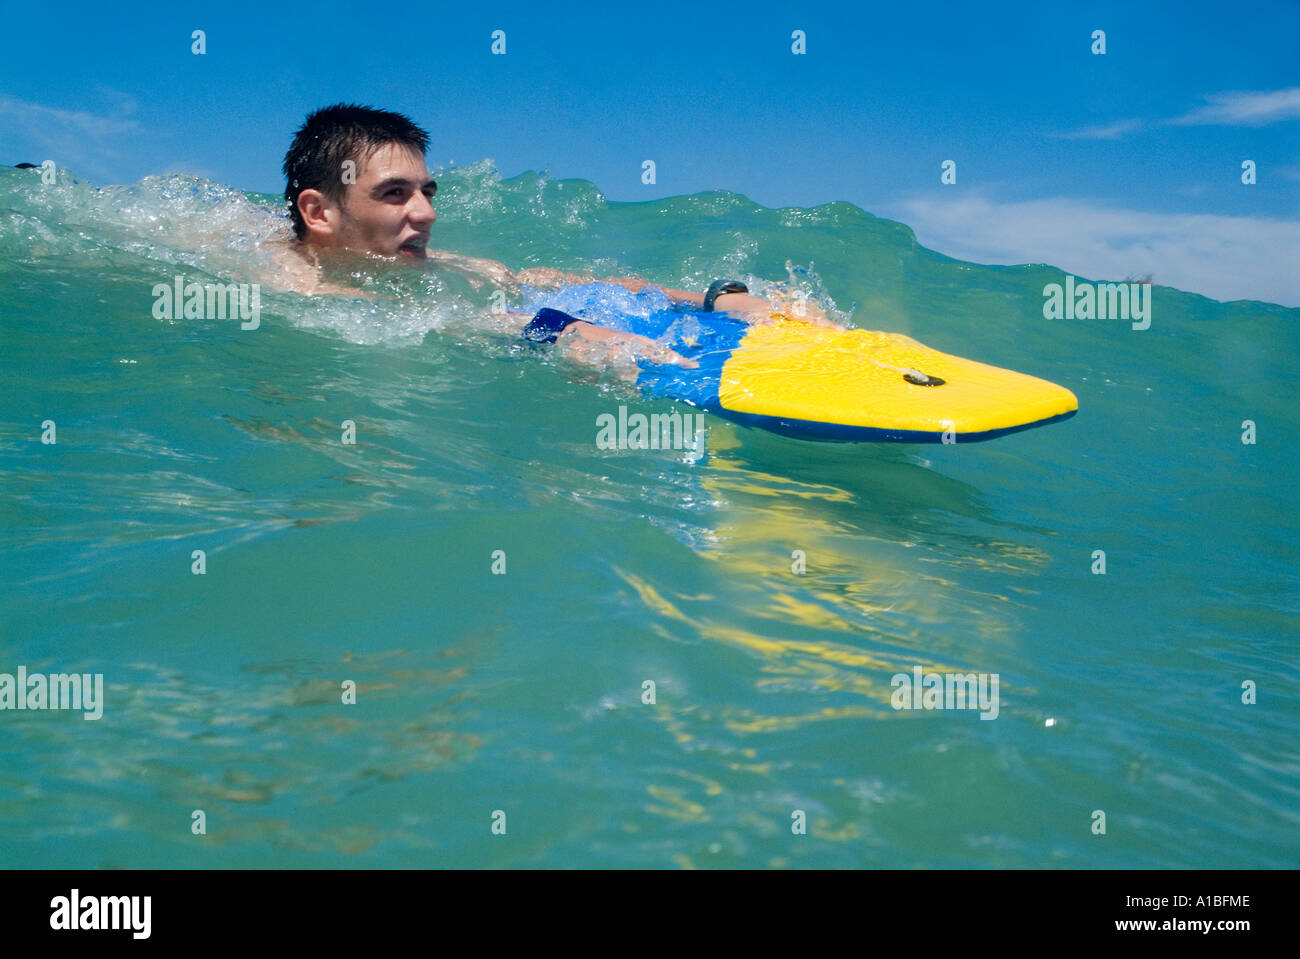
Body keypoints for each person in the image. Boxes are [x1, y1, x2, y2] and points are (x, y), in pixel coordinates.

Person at [279, 104, 838, 372]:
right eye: (395, 194)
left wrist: (716, 299)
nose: (425, 214)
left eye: (428, 191)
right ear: (319, 213)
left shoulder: (422, 259)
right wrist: (560, 333)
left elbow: (535, 281)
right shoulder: (288, 282)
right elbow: (428, 321)